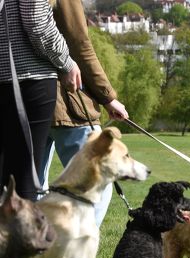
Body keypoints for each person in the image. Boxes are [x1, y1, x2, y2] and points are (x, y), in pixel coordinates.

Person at [39, 0, 128, 227]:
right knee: (97, 180)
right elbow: (79, 44)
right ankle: (74, 250)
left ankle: (32, 256)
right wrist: (107, 96)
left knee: (30, 185)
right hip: (64, 102)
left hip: (22, 98)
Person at [0, 0, 81, 201]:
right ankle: (19, 233)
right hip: (28, 78)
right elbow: (36, 22)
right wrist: (66, 63)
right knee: (23, 181)